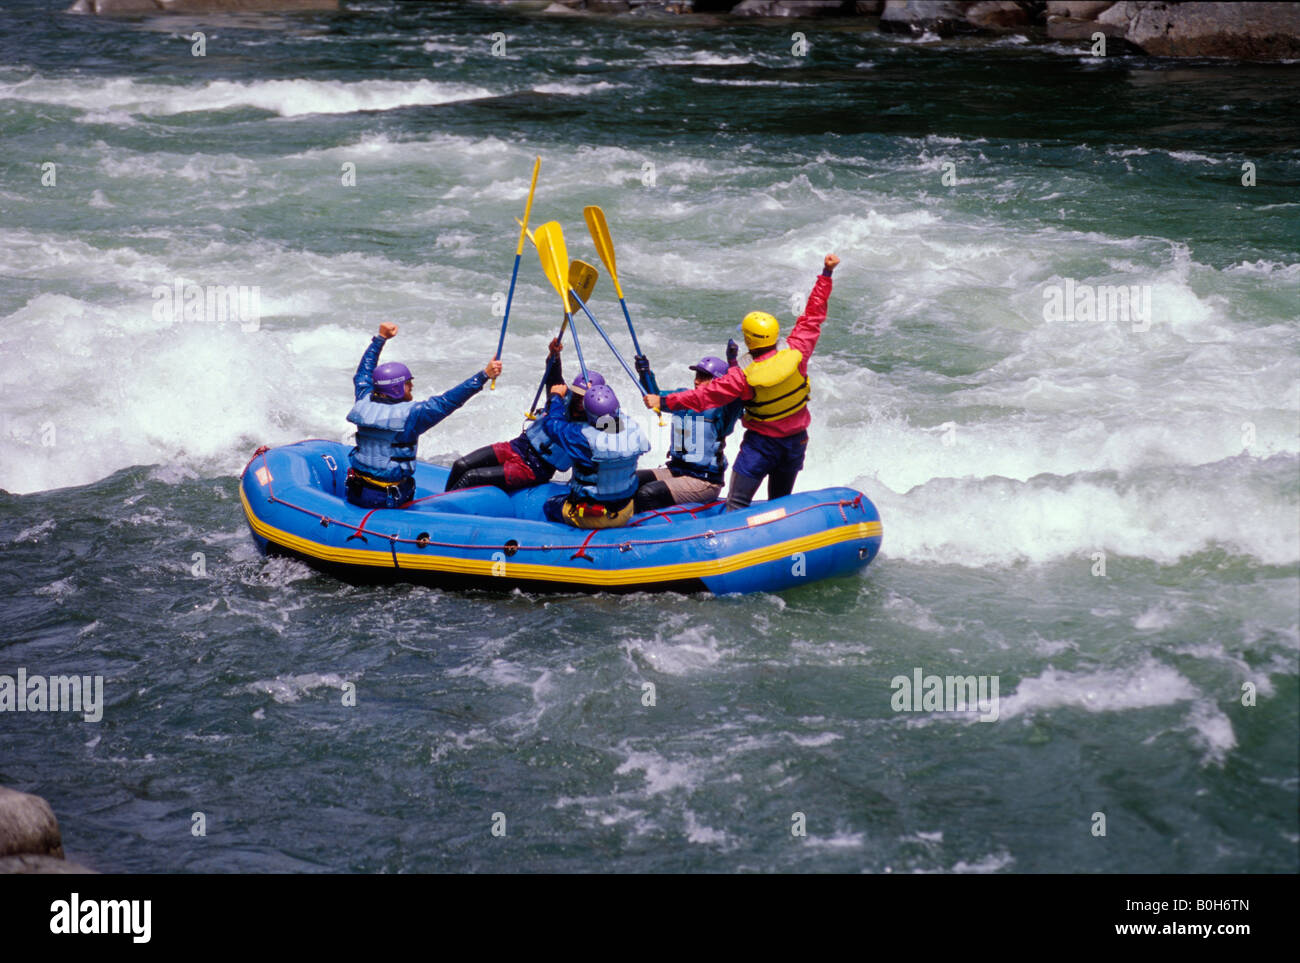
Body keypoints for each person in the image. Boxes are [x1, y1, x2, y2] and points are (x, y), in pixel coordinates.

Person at [644, 253, 839, 512]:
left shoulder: (742, 377)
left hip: (761, 446)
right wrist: (826, 275)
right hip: (795, 442)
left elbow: (702, 397)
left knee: (736, 504)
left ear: (749, 341)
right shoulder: (798, 351)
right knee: (779, 504)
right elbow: (813, 316)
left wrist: (664, 401)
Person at [345, 322, 502, 509]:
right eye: (407, 383)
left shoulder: (363, 401)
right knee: (407, 485)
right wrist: (483, 375)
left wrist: (380, 339)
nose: (411, 386)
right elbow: (449, 401)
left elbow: (363, 374)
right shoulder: (412, 416)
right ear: (395, 388)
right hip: (387, 498)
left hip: (357, 491)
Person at [444, 341, 604, 493]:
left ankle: (445, 512)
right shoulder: (564, 399)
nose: (579, 400)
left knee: (471, 478)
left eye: (584, 397)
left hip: (535, 467)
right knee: (461, 465)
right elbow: (554, 379)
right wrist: (554, 356)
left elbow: (556, 424)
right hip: (517, 446)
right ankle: (441, 504)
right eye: (577, 394)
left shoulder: (590, 426)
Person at [631, 348, 743, 513]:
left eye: (704, 377)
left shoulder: (724, 409)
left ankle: (653, 533)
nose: (697, 381)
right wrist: (645, 373)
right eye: (697, 376)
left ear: (719, 382)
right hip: (677, 470)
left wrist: (733, 364)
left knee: (647, 494)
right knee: (631, 481)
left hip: (704, 481)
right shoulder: (682, 397)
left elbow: (738, 391)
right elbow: (655, 397)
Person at [540, 382, 651, 529]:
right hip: (625, 511)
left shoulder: (582, 438)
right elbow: (614, 411)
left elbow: (552, 424)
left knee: (550, 506)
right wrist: (599, 391)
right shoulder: (632, 427)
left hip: (592, 516)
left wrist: (556, 396)